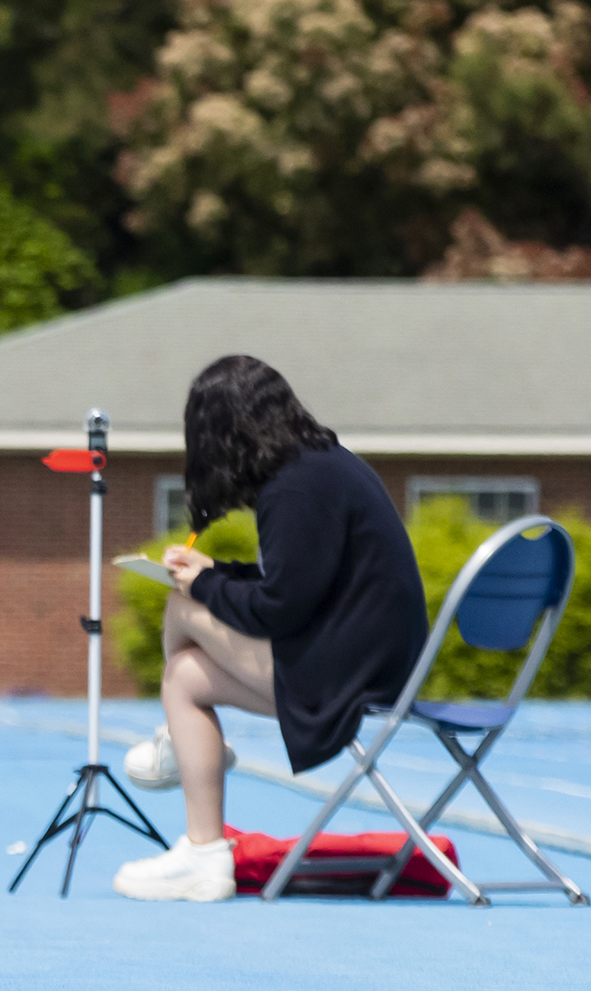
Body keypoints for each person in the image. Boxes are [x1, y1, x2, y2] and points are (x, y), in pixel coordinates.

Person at [113, 355, 428, 901]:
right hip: (372, 662)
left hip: (354, 678)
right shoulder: (323, 465)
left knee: (182, 609)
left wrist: (201, 588)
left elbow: (281, 608)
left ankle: (177, 745)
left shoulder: (292, 489)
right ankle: (205, 856)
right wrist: (217, 573)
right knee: (185, 676)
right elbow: (299, 581)